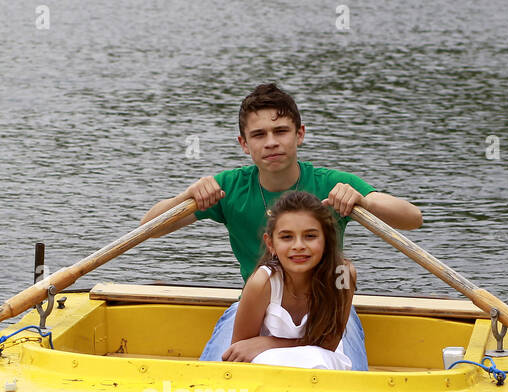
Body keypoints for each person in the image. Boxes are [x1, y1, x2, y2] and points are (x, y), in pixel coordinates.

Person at [140, 82, 422, 369]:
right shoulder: (229, 187)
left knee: (348, 379)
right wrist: (187, 196)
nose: (271, 142)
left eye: (281, 131)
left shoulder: (331, 184)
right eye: (259, 135)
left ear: (300, 134)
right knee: (217, 374)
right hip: (255, 308)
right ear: (244, 144)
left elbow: (412, 218)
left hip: (329, 308)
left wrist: (364, 201)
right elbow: (147, 229)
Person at [224, 191, 355, 370]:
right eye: (287, 237)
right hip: (269, 366)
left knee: (318, 358)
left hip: (323, 362)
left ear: (326, 239)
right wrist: (266, 348)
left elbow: (329, 344)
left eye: (310, 236)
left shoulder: (342, 274)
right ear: (271, 244)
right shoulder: (262, 282)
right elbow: (240, 351)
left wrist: (269, 343)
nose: (299, 246)